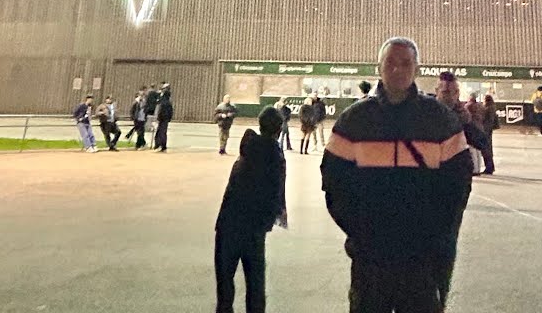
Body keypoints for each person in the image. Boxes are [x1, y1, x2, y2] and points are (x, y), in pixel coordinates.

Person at [322, 37, 473, 312]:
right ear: (378, 67)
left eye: (405, 63)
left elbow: (458, 186)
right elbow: (334, 184)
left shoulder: (440, 120)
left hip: (421, 257)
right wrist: (360, 231)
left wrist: (435, 234)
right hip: (370, 257)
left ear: (417, 69)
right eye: (390, 62)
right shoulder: (354, 120)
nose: (397, 69)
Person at [214, 107, 288, 313]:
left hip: (227, 224)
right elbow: (275, 195)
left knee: (224, 287)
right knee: (255, 288)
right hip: (253, 229)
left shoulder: (247, 148)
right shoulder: (275, 157)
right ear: (279, 129)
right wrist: (267, 222)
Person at [480, 94, 499, 175]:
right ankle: (490, 166)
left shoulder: (487, 108)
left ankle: (489, 167)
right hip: (489, 130)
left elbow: (483, 118)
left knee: (486, 149)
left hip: (485, 130)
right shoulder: (492, 107)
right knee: (488, 149)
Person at [154, 84, 175, 152]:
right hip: (165, 119)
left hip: (162, 118)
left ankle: (160, 146)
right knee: (163, 132)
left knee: (160, 132)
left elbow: (160, 110)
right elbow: (171, 111)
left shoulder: (163, 102)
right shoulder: (169, 102)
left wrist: (158, 118)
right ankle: (162, 146)